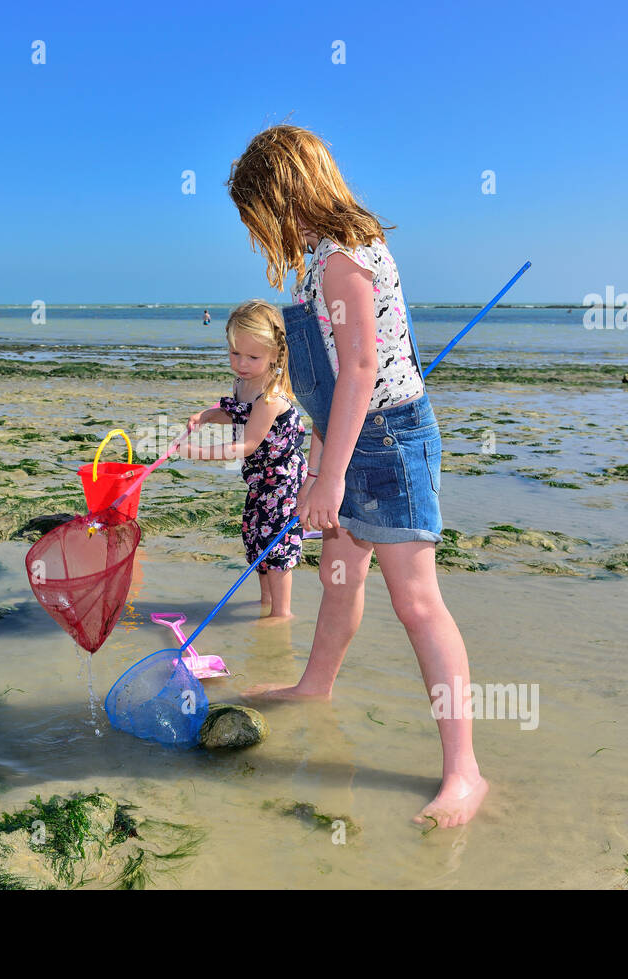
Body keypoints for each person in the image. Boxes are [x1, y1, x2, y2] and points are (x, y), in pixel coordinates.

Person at [226, 124, 487, 828]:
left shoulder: (343, 257)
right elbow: (330, 380)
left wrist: (330, 476)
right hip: (345, 439)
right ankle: (316, 683)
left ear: (287, 196)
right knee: (337, 579)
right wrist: (317, 458)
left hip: (390, 444)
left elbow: (365, 371)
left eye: (261, 213)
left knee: (418, 604)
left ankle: (465, 771)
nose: (262, 231)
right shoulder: (318, 257)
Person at [178, 299, 307, 619]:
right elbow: (235, 414)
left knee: (276, 544)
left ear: (275, 355)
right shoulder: (242, 383)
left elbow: (248, 443)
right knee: (255, 535)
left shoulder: (270, 395)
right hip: (259, 479)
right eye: (235, 354)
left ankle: (282, 614)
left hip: (282, 481)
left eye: (253, 357)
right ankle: (265, 603)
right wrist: (206, 416)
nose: (242, 363)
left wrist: (198, 454)